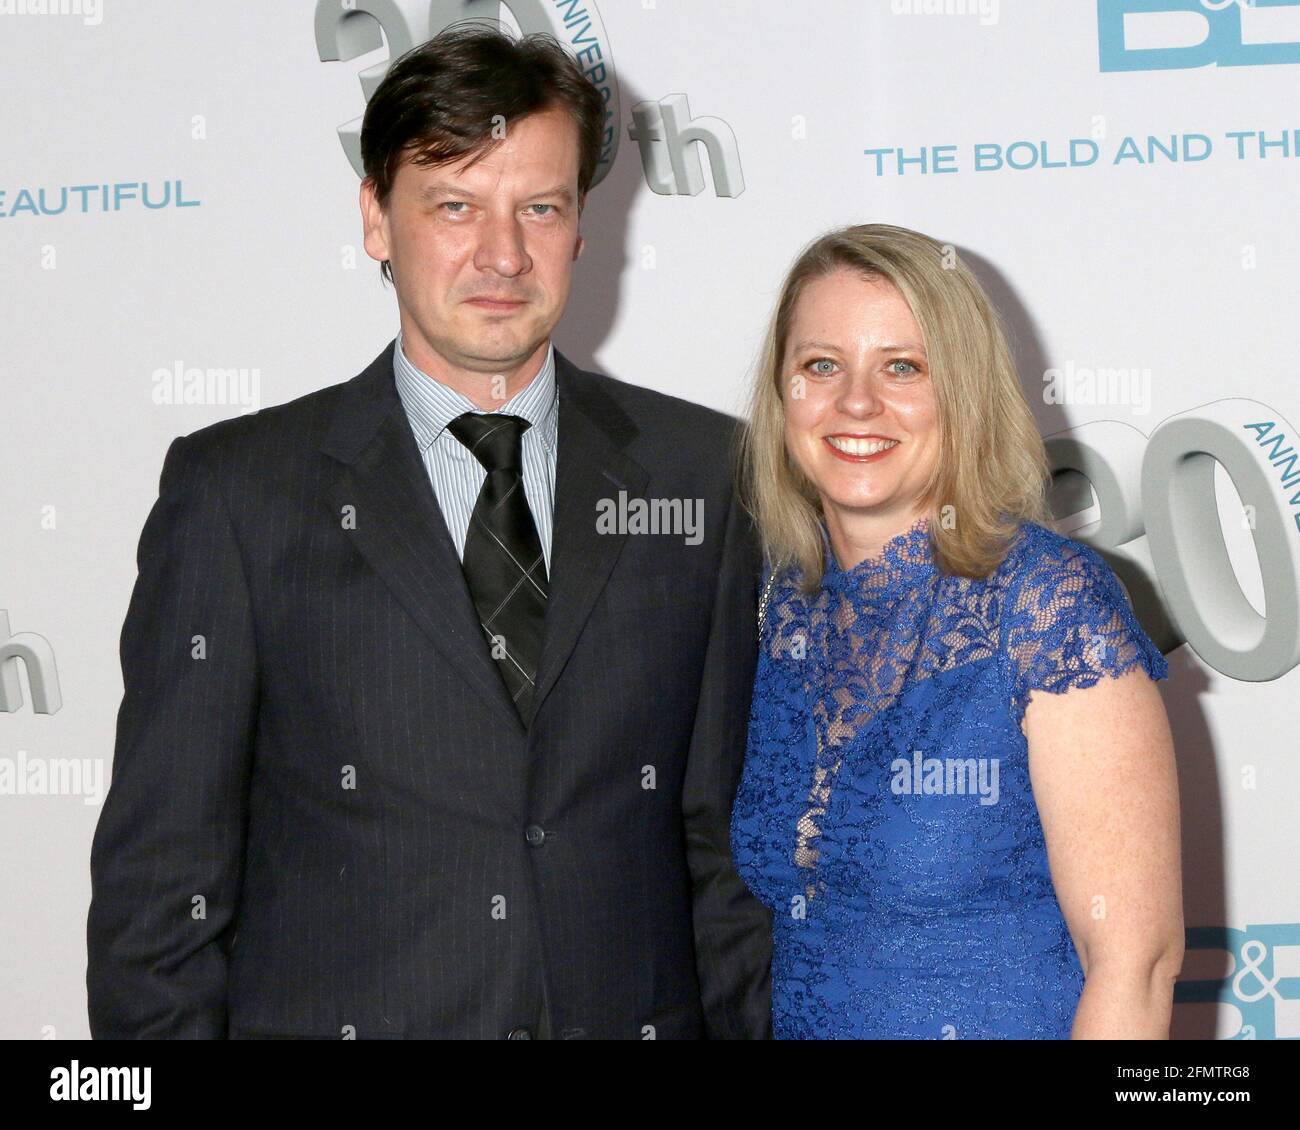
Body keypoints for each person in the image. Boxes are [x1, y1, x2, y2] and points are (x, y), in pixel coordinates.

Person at [87, 23, 771, 1040]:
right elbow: (162, 888)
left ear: (582, 225)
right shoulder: (238, 494)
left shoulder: (703, 476)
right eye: (454, 205)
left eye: (538, 207)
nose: (502, 253)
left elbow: (724, 860)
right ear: (376, 217)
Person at [729, 223, 1184, 1039]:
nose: (855, 402)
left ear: (964, 392)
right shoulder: (775, 604)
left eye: (902, 367)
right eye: (820, 365)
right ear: (782, 394)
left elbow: (1136, 966)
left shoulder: (1049, 605)